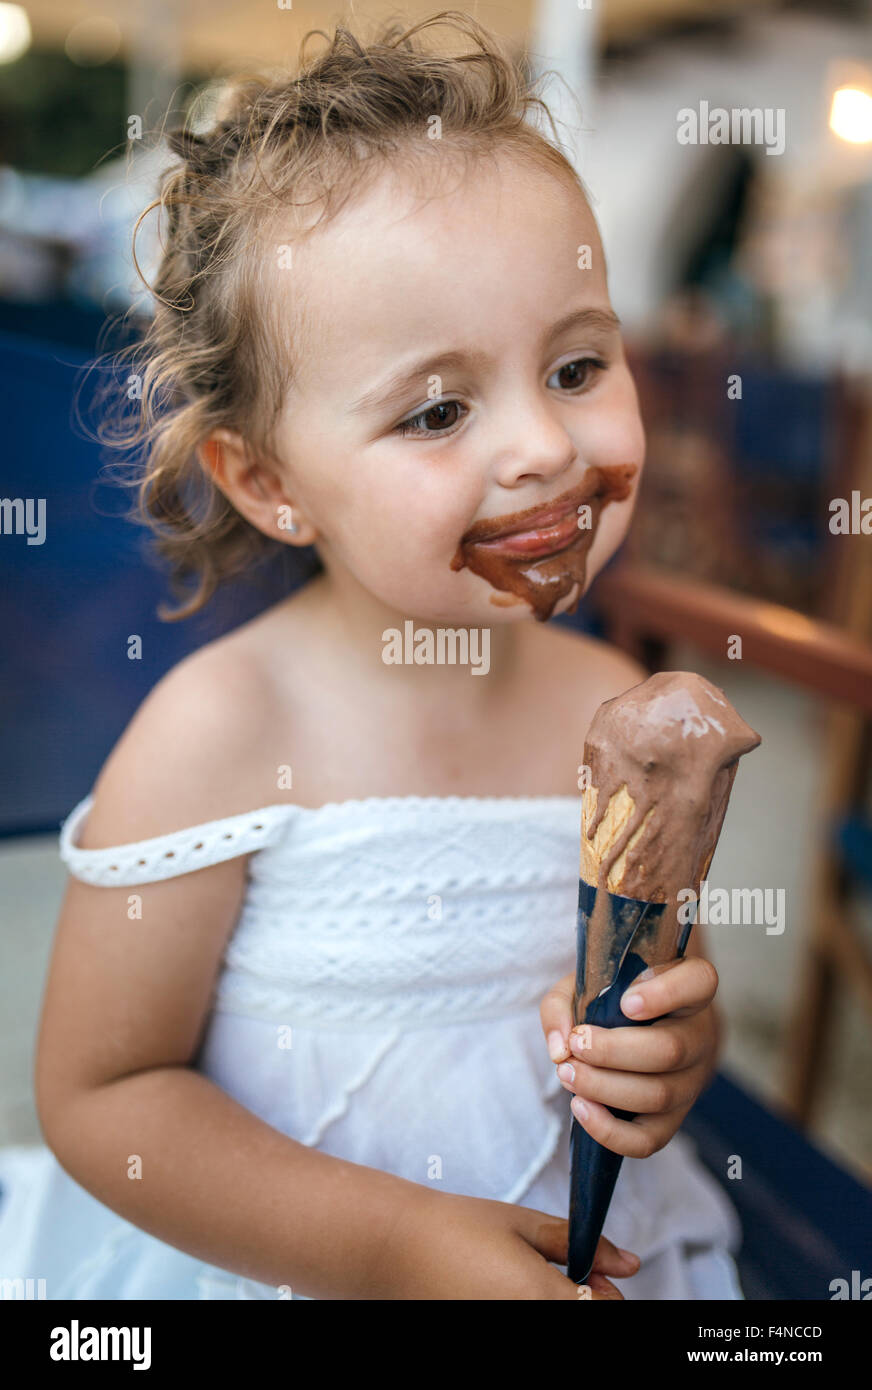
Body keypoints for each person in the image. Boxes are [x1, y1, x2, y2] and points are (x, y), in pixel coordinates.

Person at [0, 11, 742, 1299]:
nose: (544, 449)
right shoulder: (221, 727)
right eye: (440, 408)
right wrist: (392, 1246)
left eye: (577, 364)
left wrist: (676, 1051)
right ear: (271, 481)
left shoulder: (617, 705)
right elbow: (101, 1097)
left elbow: (661, 985)